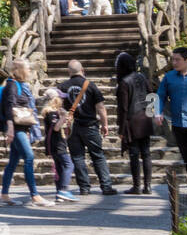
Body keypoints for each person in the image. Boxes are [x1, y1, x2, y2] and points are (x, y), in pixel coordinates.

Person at [59, 59, 118, 196]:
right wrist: (105, 124)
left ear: (69, 72)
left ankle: (84, 188)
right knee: (98, 156)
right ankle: (106, 186)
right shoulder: (91, 85)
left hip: (72, 127)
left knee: (77, 157)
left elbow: (58, 107)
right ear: (83, 70)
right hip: (90, 126)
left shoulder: (62, 87)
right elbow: (101, 108)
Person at [0, 60, 53, 207]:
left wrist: (27, 129)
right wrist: (10, 130)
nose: (30, 71)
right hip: (15, 128)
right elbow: (9, 107)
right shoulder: (11, 85)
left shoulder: (20, 85)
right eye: (28, 69)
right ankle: (35, 195)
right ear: (19, 70)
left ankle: (4, 195)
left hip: (21, 128)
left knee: (13, 162)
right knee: (29, 157)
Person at [154, 47, 187, 196]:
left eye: (177, 60)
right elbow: (159, 96)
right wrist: (157, 112)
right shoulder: (169, 77)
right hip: (178, 123)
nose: (174, 62)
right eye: (172, 59)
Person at [115, 51, 155, 194]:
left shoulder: (124, 83)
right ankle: (148, 185)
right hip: (145, 118)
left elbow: (123, 107)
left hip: (132, 120)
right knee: (146, 153)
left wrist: (121, 128)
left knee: (134, 153)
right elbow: (152, 95)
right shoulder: (142, 77)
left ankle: (137, 186)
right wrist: (150, 114)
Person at [40, 88, 78, 203]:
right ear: (55, 100)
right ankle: (64, 190)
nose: (62, 100)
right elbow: (56, 128)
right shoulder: (51, 113)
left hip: (55, 144)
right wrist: (63, 117)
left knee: (60, 168)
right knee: (69, 165)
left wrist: (65, 120)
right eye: (61, 98)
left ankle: (59, 192)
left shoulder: (52, 112)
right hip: (57, 144)